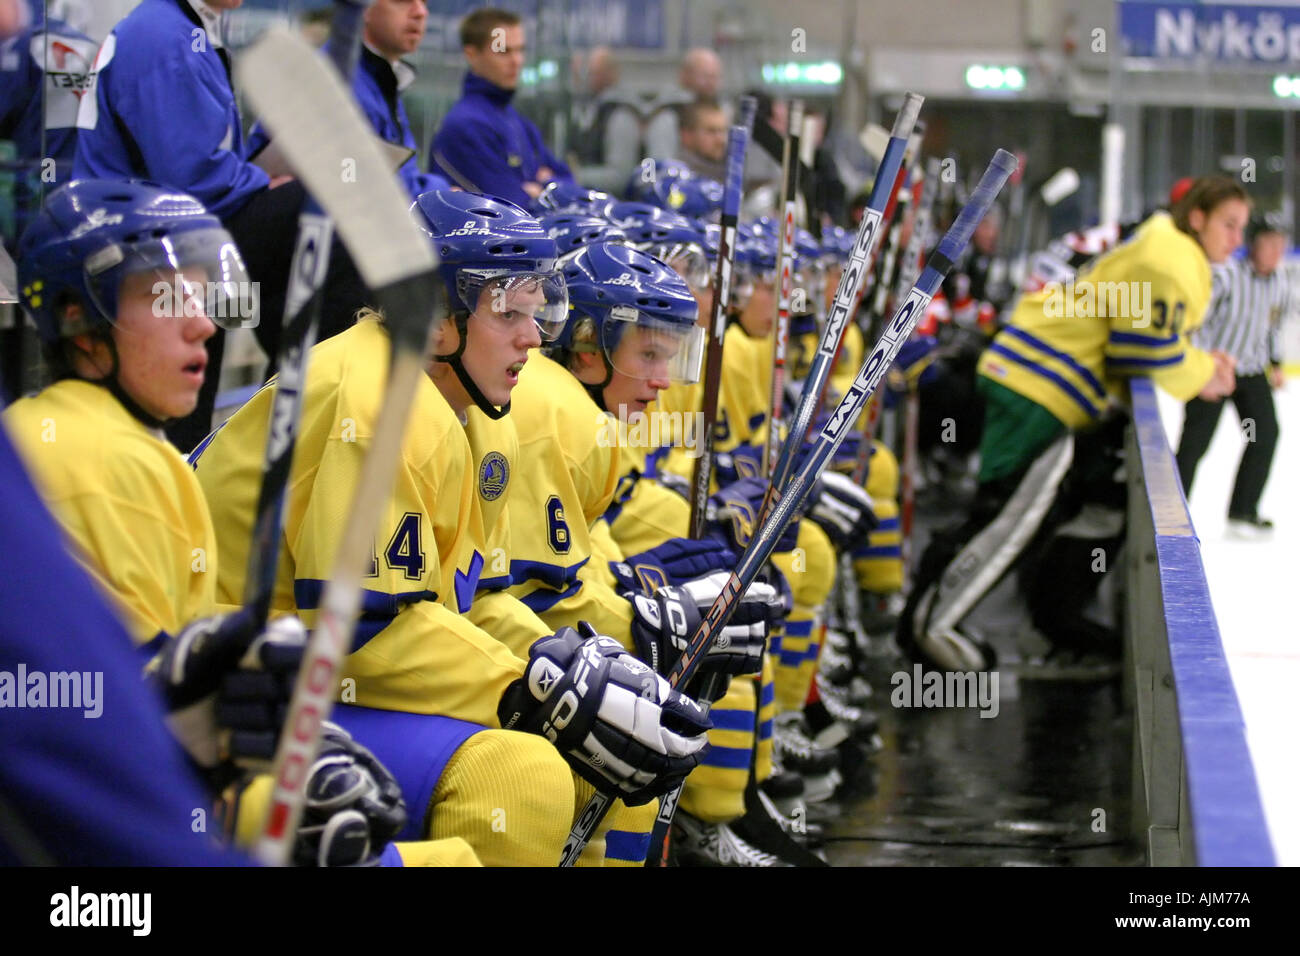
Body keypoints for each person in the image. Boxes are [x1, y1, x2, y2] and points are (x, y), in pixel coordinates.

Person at [194, 190, 707, 866]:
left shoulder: (457, 403)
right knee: (520, 778)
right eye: (511, 314)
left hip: (309, 678)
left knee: (596, 741)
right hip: (243, 696)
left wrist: (575, 664)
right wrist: (526, 688)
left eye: (539, 311)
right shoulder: (380, 397)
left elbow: (471, 599)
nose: (534, 336)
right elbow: (361, 628)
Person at [1, 178, 447, 865]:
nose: (204, 323)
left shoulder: (101, 439)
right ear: (76, 317)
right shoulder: (111, 461)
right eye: (165, 297)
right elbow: (116, 738)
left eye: (204, 296)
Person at [900, 176, 1246, 673]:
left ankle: (928, 620)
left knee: (1002, 514)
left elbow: (1145, 340)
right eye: (1228, 225)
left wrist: (1197, 364)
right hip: (1040, 388)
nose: (1237, 239)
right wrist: (1202, 372)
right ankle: (932, 630)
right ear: (1198, 218)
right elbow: (1141, 349)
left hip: (1030, 379)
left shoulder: (1164, 245)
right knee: (1006, 521)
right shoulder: (1171, 257)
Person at [74, 0, 369, 454]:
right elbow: (194, 176)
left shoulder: (181, 28)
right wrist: (263, 180)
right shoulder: (166, 34)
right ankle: (313, 409)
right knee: (324, 211)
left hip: (169, 231)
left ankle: (299, 402)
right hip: (146, 242)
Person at [1177, 213, 1292, 537]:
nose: (1274, 251)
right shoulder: (1226, 277)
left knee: (1263, 435)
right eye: (1267, 243)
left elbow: (1272, 325)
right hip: (1212, 371)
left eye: (1279, 244)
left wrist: (1276, 363)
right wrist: (1200, 362)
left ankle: (1243, 511)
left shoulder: (1282, 282)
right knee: (1194, 445)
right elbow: (1197, 319)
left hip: (1251, 372)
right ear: (1252, 245)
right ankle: (1173, 516)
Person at [430, 7, 573, 207]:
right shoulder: (465, 127)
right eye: (503, 51)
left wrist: (546, 184)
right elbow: (513, 208)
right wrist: (541, 187)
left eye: (520, 50)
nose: (516, 61)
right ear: (472, 55)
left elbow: (569, 184)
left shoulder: (516, 121)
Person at [643, 47, 723, 161]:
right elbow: (659, 166)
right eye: (705, 76)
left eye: (715, 77)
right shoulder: (668, 116)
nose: (711, 83)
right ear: (685, 76)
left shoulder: (721, 111)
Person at [676, 99, 728, 183]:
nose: (721, 140)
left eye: (723, 131)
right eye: (711, 131)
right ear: (687, 136)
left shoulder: (730, 173)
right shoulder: (676, 180)